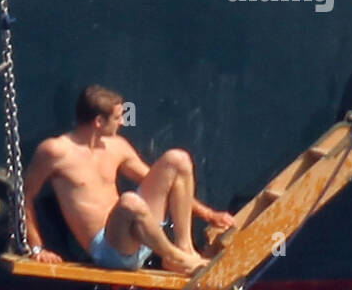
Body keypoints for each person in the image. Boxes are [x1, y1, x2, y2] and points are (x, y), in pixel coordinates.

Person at [21, 85, 234, 275]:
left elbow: (159, 180)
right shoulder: (55, 151)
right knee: (129, 201)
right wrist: (37, 247)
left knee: (177, 160)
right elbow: (25, 196)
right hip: (108, 250)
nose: (123, 121)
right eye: (117, 117)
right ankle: (177, 257)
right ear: (98, 121)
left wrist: (209, 214)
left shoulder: (117, 145)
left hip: (141, 234)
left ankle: (184, 249)